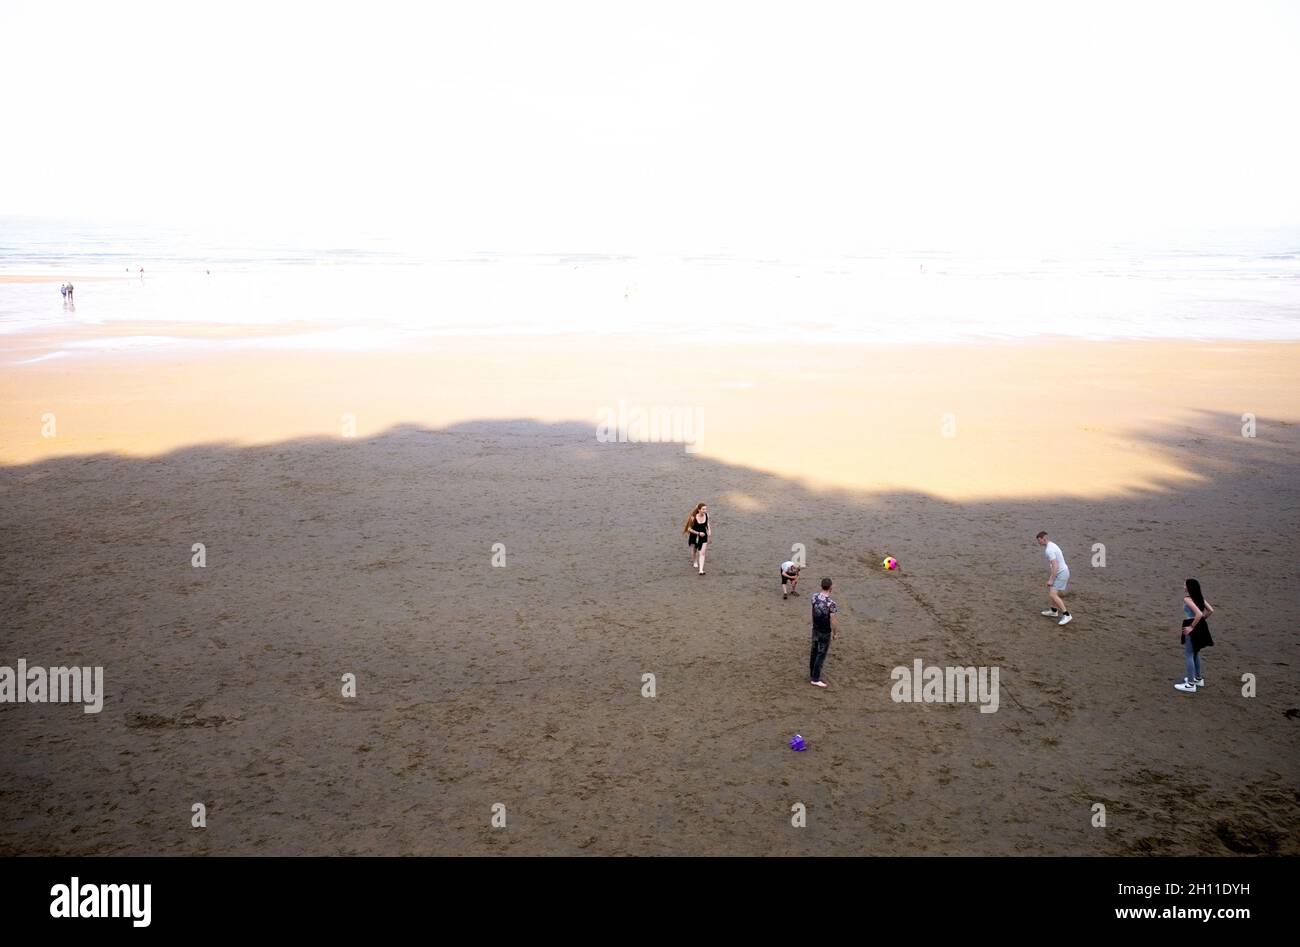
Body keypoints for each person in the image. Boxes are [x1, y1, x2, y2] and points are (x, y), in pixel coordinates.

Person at [1175, 579, 1214, 693]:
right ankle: (1198, 678)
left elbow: (1199, 613)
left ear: (1189, 587)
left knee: (1189, 654)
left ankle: (1190, 684)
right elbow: (1210, 610)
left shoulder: (1188, 599)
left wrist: (1191, 626)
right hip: (1200, 626)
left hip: (1191, 625)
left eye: (1185, 585)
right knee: (1196, 652)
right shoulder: (1200, 597)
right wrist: (1200, 622)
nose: (1183, 586)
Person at [1035, 531, 1072, 625]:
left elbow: (1055, 566)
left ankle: (1067, 614)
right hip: (1061, 572)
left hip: (1061, 574)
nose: (1039, 542)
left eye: (1039, 540)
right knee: (1053, 591)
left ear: (1044, 539)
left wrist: (1051, 579)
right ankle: (1053, 610)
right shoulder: (1052, 545)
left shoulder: (1049, 550)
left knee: (1053, 594)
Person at [809, 577, 838, 687]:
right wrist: (835, 633)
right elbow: (833, 620)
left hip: (815, 628)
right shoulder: (831, 603)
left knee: (814, 651)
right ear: (831, 587)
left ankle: (812, 673)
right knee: (821, 654)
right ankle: (815, 678)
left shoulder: (814, 597)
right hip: (825, 632)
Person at [682, 503, 710, 575]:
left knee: (702, 553)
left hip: (704, 536)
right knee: (694, 550)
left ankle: (701, 570)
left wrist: (709, 531)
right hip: (695, 535)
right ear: (699, 510)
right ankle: (694, 561)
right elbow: (689, 529)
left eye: (705, 509)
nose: (705, 510)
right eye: (703, 509)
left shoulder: (707, 515)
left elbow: (707, 524)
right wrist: (698, 533)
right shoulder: (693, 517)